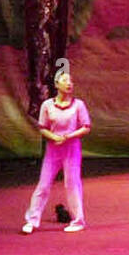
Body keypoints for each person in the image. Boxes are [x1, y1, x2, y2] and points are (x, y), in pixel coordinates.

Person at [22, 69, 92, 233]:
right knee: (44, 184)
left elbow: (86, 127)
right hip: (53, 149)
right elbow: (42, 127)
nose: (69, 83)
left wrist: (68, 137)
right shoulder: (47, 105)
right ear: (56, 84)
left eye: (71, 81)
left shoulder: (78, 104)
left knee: (72, 183)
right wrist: (54, 137)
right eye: (65, 80)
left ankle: (78, 220)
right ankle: (32, 220)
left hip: (72, 148)